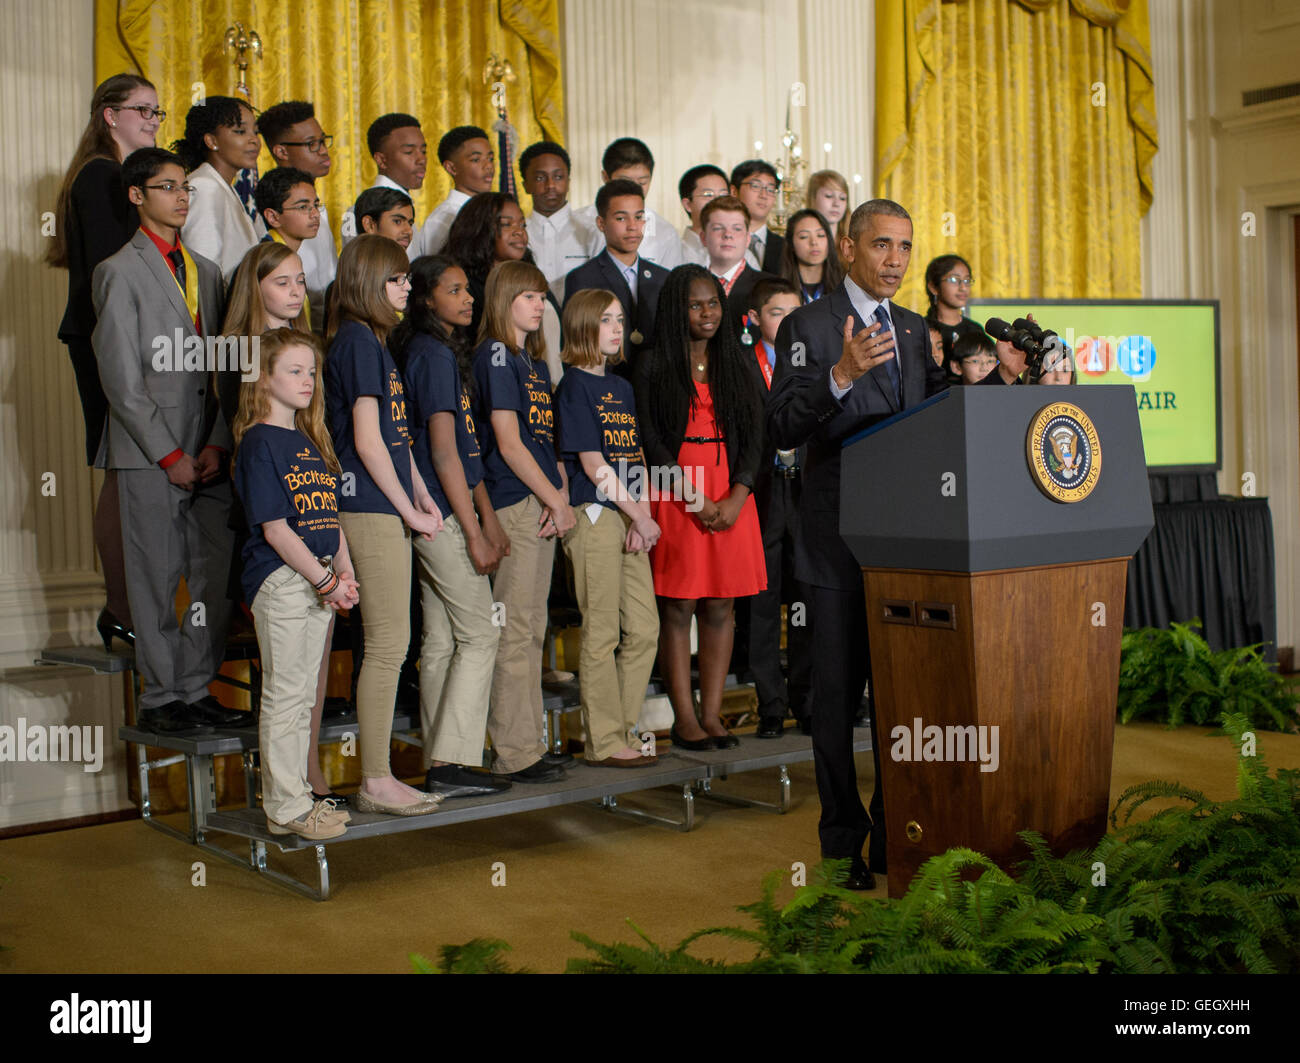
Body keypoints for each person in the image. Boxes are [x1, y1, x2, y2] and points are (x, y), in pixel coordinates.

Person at [767, 198, 949, 890]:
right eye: (881, 246)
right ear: (848, 248)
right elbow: (783, 425)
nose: (895, 260)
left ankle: (895, 834)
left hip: (904, 543)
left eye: (905, 247)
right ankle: (843, 842)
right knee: (837, 702)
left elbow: (930, 421)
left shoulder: (911, 325)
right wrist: (838, 375)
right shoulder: (808, 324)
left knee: (902, 701)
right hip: (834, 541)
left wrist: (980, 383)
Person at [91, 146, 242, 733]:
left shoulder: (206, 270)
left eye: (186, 187)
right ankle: (160, 698)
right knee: (155, 578)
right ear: (137, 196)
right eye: (167, 187)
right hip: (149, 454)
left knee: (211, 576)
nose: (181, 196)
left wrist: (217, 443)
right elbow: (122, 380)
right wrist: (170, 454)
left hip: (206, 449)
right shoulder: (118, 271)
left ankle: (196, 686)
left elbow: (226, 367)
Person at [324, 233, 443, 816]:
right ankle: (374, 779)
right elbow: (368, 444)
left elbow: (398, 439)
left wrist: (421, 494)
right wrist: (407, 507)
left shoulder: (375, 342)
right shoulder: (356, 342)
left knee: (393, 641)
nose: (406, 289)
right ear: (369, 282)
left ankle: (378, 776)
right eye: (397, 279)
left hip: (385, 500)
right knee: (388, 642)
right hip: (367, 505)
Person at [390, 255, 513, 799]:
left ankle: (440, 755)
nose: (468, 298)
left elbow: (465, 446)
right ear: (425, 299)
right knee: (481, 632)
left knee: (441, 637)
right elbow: (443, 454)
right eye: (454, 290)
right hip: (440, 510)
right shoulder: (432, 355)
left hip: (437, 509)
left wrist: (485, 513)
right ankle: (453, 760)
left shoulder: (433, 352)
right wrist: (475, 528)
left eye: (469, 289)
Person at [231, 328, 358, 840]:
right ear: (264, 378)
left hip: (319, 574)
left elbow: (331, 517)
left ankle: (297, 798)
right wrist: (326, 580)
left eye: (311, 372)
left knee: (304, 698)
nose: (307, 381)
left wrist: (344, 573)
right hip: (284, 580)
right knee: (285, 696)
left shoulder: (307, 440)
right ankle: (285, 805)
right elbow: (276, 529)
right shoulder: (260, 441)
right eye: (294, 371)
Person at [634, 265, 765, 750]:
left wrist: (738, 493)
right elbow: (648, 440)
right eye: (696, 304)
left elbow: (756, 436)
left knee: (721, 604)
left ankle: (712, 715)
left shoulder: (737, 359)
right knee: (679, 606)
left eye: (714, 302)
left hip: (730, 495)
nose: (708, 312)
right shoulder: (651, 364)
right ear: (676, 309)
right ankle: (683, 719)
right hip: (675, 494)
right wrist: (693, 497)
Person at [51, 73, 159, 651]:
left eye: (157, 112)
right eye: (142, 109)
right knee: (123, 468)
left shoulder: (119, 177)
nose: (152, 119)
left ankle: (127, 607)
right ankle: (120, 607)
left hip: (120, 338)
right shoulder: (101, 177)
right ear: (109, 116)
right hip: (106, 340)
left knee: (129, 469)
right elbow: (109, 274)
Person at [471, 260, 572, 783]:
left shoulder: (529, 361)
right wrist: (554, 499)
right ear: (504, 297)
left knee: (532, 627)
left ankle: (529, 742)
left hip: (541, 498)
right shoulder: (494, 353)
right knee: (512, 630)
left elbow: (544, 439)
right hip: (515, 499)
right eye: (528, 296)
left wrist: (559, 493)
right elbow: (507, 443)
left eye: (541, 296)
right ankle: (513, 750)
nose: (539, 305)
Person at [555, 290, 662, 766]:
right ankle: (604, 740)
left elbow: (632, 455)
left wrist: (640, 511)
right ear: (582, 326)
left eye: (621, 319)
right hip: (594, 515)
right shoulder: (574, 385)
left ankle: (624, 726)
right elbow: (593, 461)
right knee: (601, 633)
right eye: (606, 320)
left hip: (627, 515)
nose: (617, 328)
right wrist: (635, 514)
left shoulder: (621, 386)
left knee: (644, 628)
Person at [743, 277, 812, 739]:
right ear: (754, 319)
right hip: (762, 493)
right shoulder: (742, 365)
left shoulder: (814, 362)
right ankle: (770, 702)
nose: (787, 322)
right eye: (776, 313)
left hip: (806, 492)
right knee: (763, 604)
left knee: (808, 601)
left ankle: (808, 702)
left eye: (794, 312)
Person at [561, 179, 669, 380]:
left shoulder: (663, 278)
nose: (632, 227)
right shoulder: (583, 279)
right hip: (606, 389)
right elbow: (574, 348)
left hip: (656, 389)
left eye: (639, 217)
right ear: (601, 223)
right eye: (621, 219)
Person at [447, 192, 563, 377]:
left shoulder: (532, 277)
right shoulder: (464, 287)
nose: (519, 231)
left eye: (522, 224)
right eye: (507, 224)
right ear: (480, 229)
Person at [257, 101, 337, 331]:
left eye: (322, 140)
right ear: (281, 151)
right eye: (311, 144)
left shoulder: (316, 208)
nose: (323, 150)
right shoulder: (270, 216)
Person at [173, 96, 265, 280]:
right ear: (211, 141)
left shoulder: (223, 186)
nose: (253, 140)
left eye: (255, 132)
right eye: (240, 131)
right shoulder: (204, 186)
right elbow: (204, 269)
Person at [577, 137, 682, 269]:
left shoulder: (665, 233)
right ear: (605, 177)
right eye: (624, 180)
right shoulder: (578, 224)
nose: (634, 189)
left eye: (642, 182)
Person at [519, 140, 596, 298]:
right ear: (526, 185)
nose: (550, 185)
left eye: (558, 177)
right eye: (540, 178)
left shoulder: (591, 231)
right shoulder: (518, 235)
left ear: (568, 181)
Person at [700, 195, 774, 342]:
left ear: (747, 239)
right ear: (703, 238)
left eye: (737, 229)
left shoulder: (769, 287)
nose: (727, 235)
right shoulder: (690, 285)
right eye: (718, 228)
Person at [421, 125, 494, 257]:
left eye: (490, 159)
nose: (488, 166)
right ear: (451, 168)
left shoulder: (491, 211)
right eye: (476, 160)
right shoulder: (443, 219)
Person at [365, 113, 427, 258]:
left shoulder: (405, 203)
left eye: (424, 151)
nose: (421, 159)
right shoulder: (370, 208)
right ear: (381, 160)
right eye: (409, 152)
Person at [923, 254, 984, 366]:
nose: (963, 288)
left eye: (967, 280)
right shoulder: (922, 328)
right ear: (933, 287)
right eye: (954, 279)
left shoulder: (975, 330)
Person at [779, 207, 844, 304]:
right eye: (804, 236)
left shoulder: (845, 286)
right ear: (791, 244)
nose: (814, 242)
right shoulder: (778, 290)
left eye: (820, 235)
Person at [730, 159, 784, 274]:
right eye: (755, 186)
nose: (764, 195)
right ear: (734, 192)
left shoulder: (787, 248)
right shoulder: (722, 239)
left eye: (770, 189)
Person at [677, 164, 729, 266]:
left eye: (723, 195)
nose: (718, 202)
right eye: (708, 195)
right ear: (688, 204)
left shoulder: (743, 253)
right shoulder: (674, 253)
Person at [807, 170, 851, 249]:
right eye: (829, 196)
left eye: (842, 198)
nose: (836, 204)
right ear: (813, 198)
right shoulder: (802, 243)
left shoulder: (852, 244)